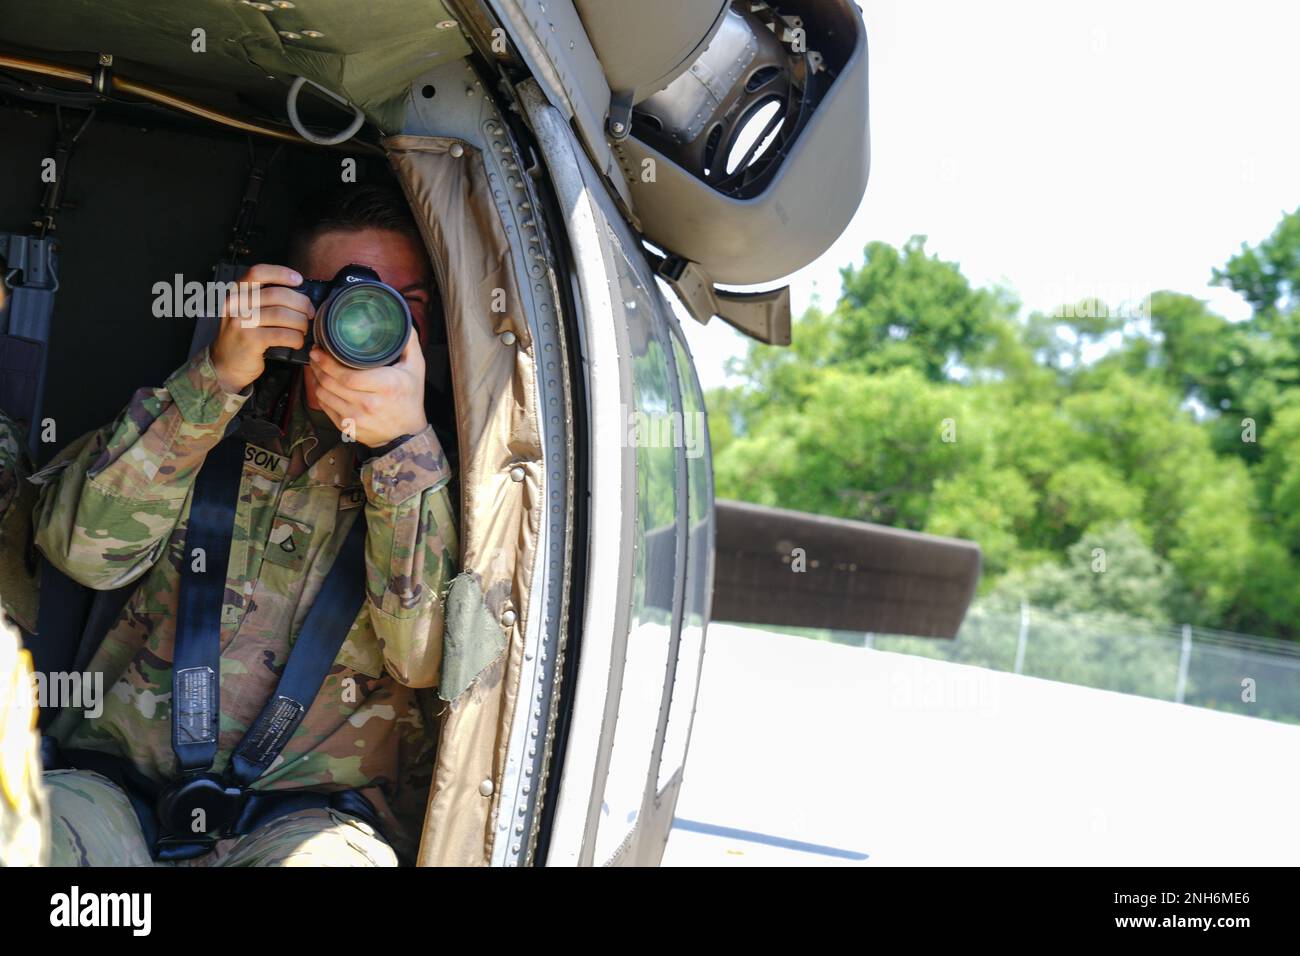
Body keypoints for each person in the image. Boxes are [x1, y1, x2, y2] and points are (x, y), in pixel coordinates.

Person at [28, 183, 457, 866]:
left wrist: (401, 449)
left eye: (405, 307)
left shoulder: (459, 472)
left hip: (314, 817)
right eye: (341, 297)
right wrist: (216, 381)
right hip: (116, 793)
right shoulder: (198, 413)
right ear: (295, 306)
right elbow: (82, 552)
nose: (370, 321)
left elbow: (425, 656)